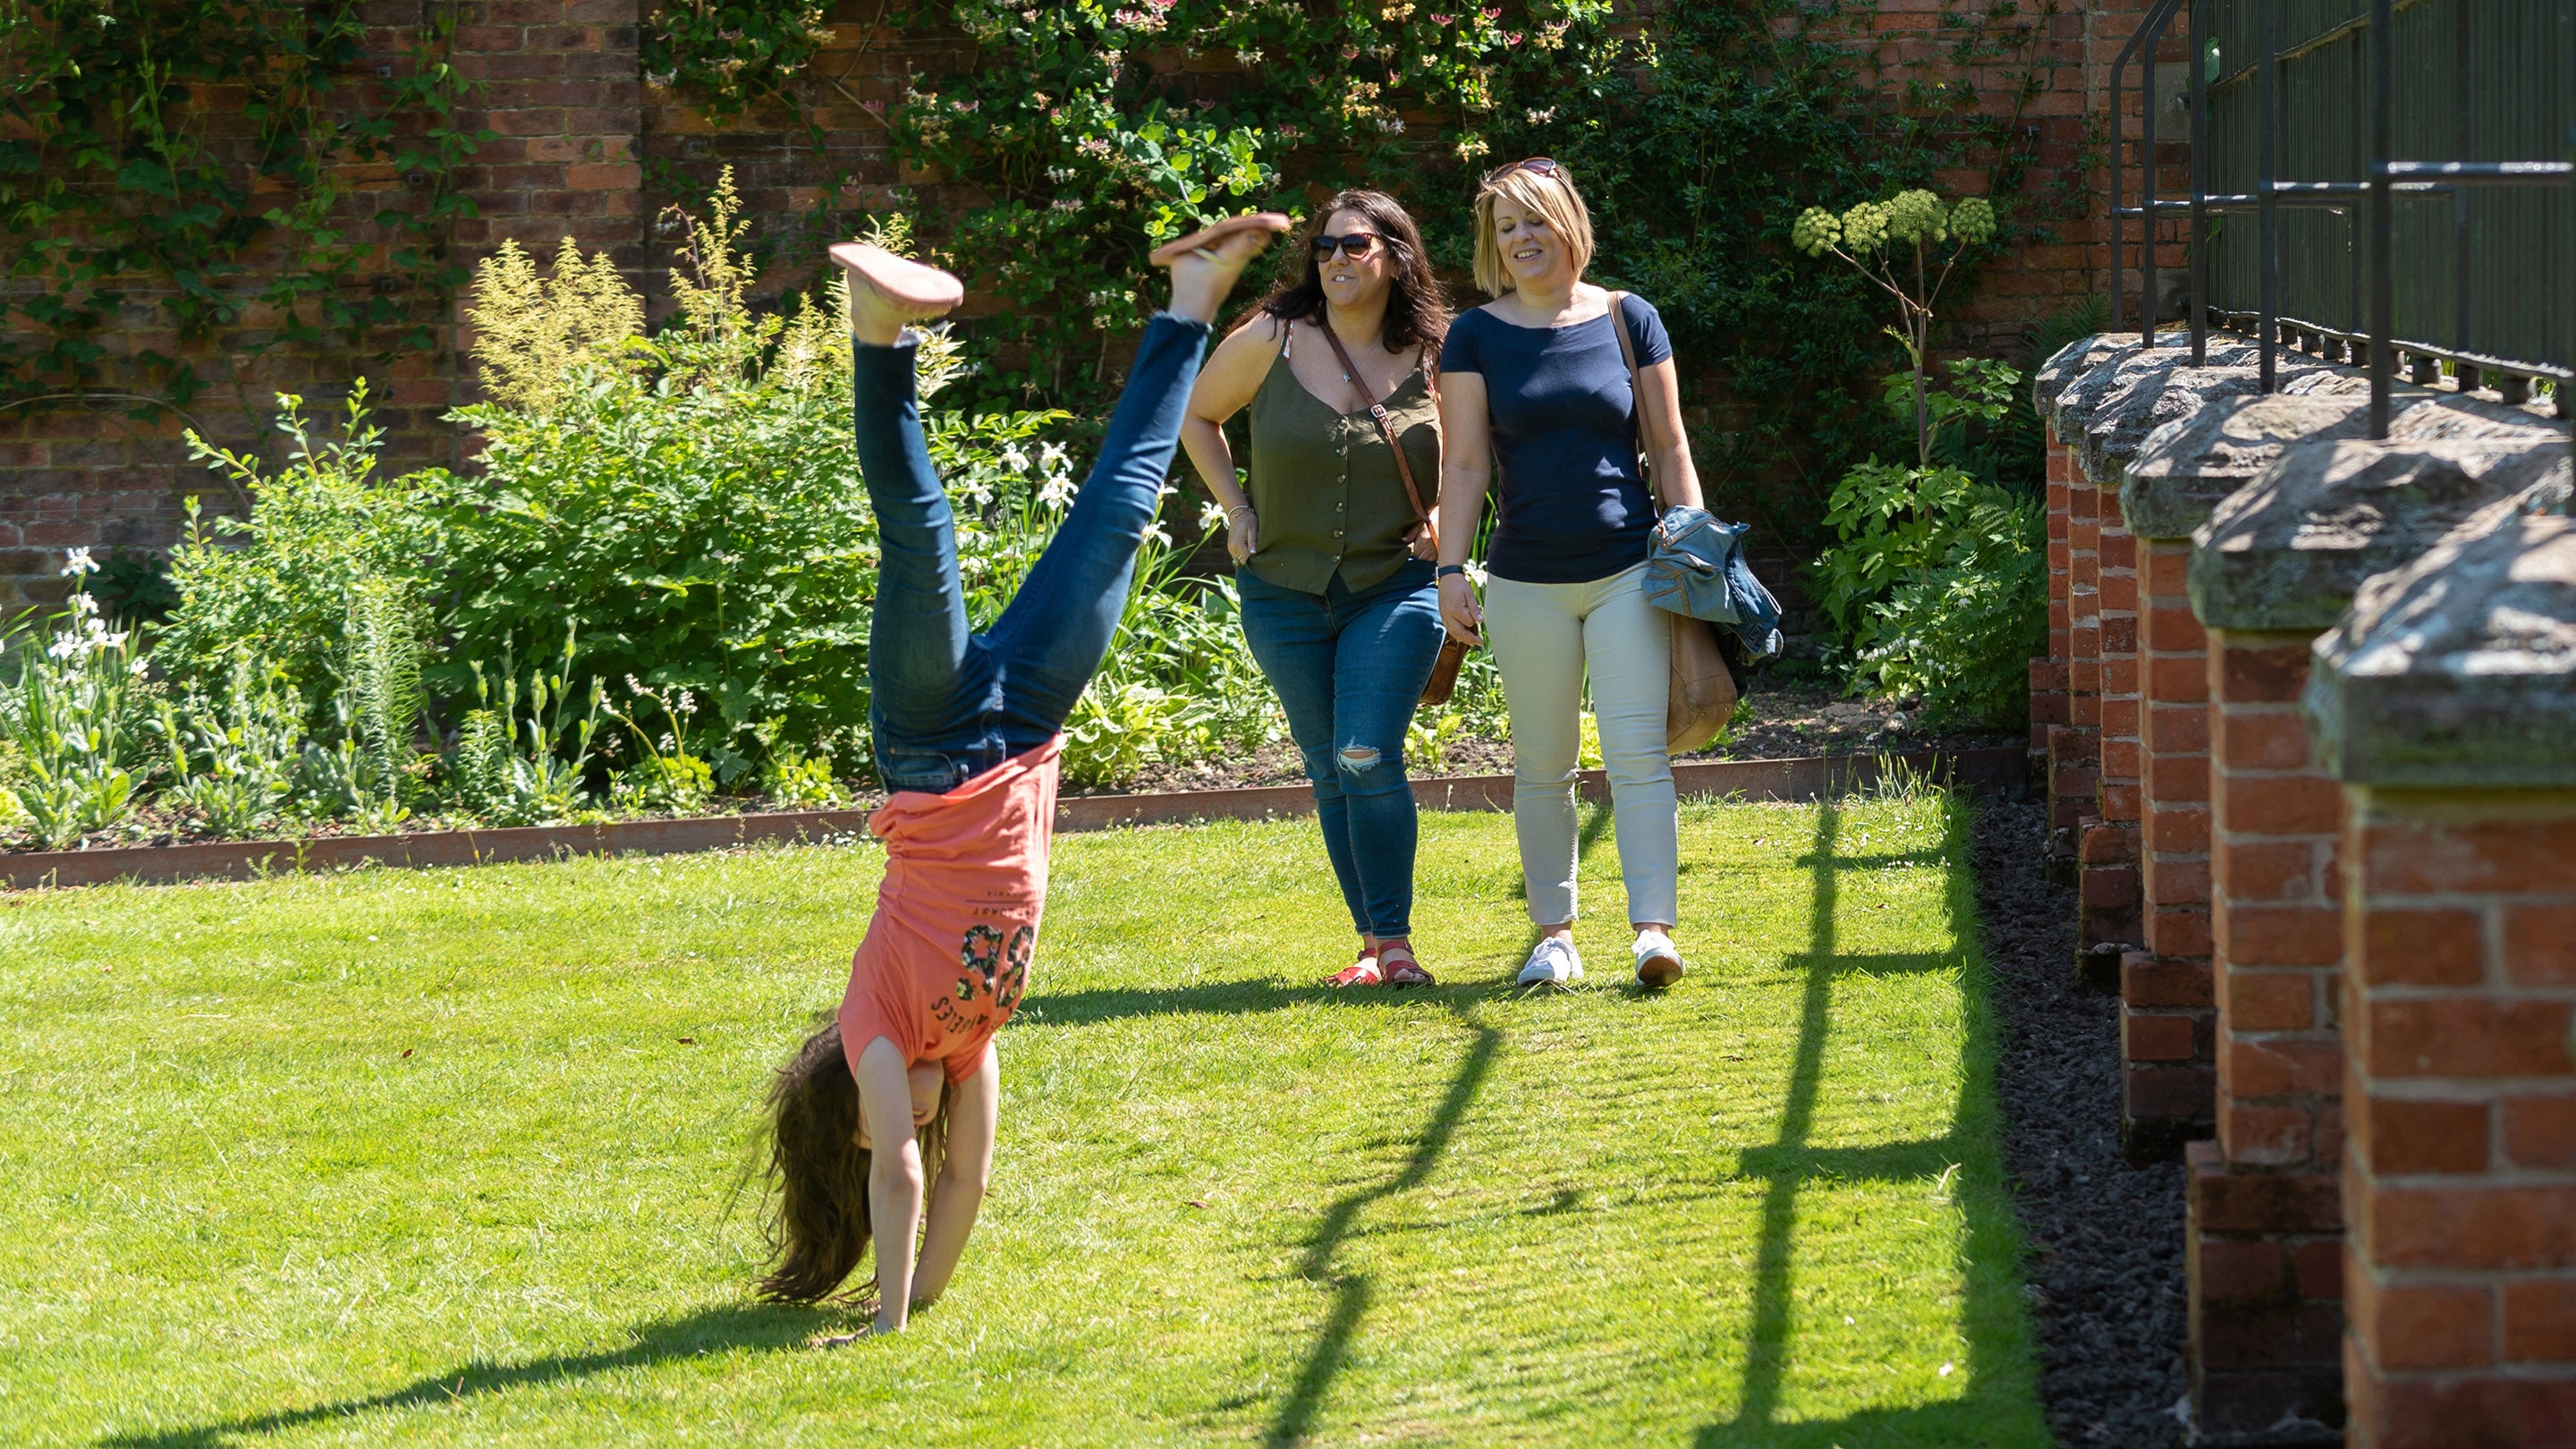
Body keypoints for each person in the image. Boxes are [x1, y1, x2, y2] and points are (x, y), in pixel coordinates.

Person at [757, 212, 1290, 1329]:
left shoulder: (875, 1030)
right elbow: (965, 1184)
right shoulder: (974, 1050)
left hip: (930, 741)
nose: (900, 1122)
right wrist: (923, 1297)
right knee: (1120, 516)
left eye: (877, 1120)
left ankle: (879, 335)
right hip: (1030, 732)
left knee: (921, 531)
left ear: (853, 1116)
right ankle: (1192, 297)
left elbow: (906, 1178)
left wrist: (890, 1316)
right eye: (899, 1119)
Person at [1431, 157, 1707, 991]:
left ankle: (1652, 933)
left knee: (1637, 756)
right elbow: (1468, 462)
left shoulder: (1630, 318)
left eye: (1535, 221)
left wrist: (1693, 546)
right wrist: (1450, 567)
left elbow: (1669, 448)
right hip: (1524, 580)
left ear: (1569, 227)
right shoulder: (1474, 335)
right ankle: (1554, 937)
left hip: (1628, 569)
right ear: (1492, 245)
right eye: (1504, 227)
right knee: (1541, 765)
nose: (1521, 238)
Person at [1179, 191, 1450, 989]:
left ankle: (1394, 941)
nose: (1335, 258)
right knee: (1331, 766)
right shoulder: (1271, 336)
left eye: (1355, 245)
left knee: (1365, 754)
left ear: (1396, 255)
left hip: (1393, 586)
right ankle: (1375, 947)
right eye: (1325, 246)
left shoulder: (1440, 350)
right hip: (1282, 594)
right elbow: (1197, 416)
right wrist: (1235, 508)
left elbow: (1476, 453)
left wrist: (1440, 520)